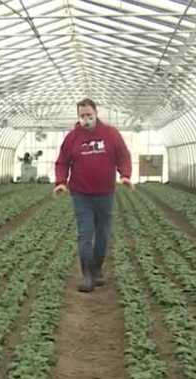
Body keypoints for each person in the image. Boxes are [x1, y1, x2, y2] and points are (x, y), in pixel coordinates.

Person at [52, 98, 134, 292]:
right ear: (78, 116)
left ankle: (97, 269)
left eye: (89, 115)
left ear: (96, 113)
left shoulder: (110, 134)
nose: (86, 119)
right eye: (82, 116)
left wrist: (125, 175)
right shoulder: (72, 137)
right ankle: (87, 274)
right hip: (81, 194)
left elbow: (123, 155)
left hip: (105, 193)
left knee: (103, 233)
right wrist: (61, 182)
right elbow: (62, 161)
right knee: (85, 233)